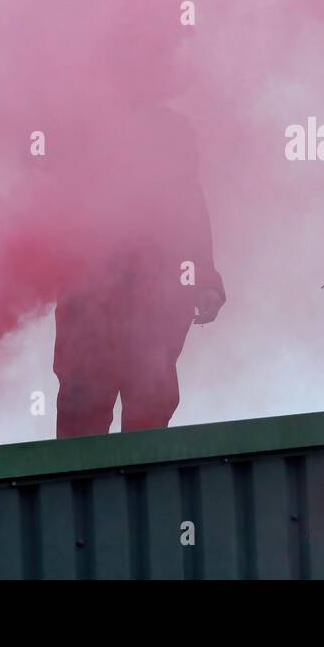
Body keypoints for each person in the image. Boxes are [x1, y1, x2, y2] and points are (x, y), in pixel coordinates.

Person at [53, 107, 225, 436]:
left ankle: (146, 485)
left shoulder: (172, 129)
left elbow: (190, 212)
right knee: (82, 398)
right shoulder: (74, 124)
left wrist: (206, 281)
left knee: (151, 396)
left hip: (157, 295)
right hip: (88, 292)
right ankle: (79, 486)